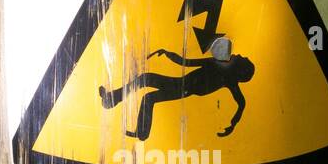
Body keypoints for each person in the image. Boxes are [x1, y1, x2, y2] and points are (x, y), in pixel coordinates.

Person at [99, 39, 255, 141]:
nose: (239, 54)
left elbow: (242, 103)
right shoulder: (217, 65)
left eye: (242, 58)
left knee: (148, 95)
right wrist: (168, 54)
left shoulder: (227, 77)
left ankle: (139, 129)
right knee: (146, 84)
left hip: (183, 89)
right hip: (181, 84)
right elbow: (186, 62)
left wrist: (233, 125)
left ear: (239, 69)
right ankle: (114, 101)